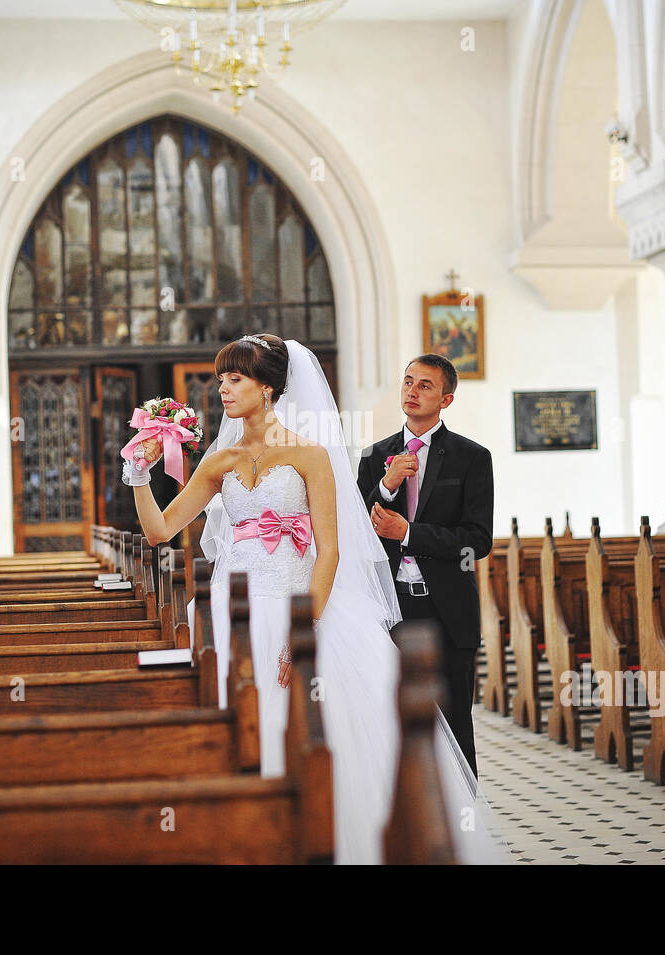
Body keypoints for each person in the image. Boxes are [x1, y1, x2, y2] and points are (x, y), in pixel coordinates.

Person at [121, 334, 510, 864]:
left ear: (268, 387)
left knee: (318, 733)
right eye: (221, 380)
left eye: (235, 379)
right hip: (233, 613)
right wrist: (139, 475)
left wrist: (300, 632)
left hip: (303, 612)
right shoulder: (220, 461)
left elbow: (329, 552)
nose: (224, 389)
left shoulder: (311, 455)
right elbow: (162, 531)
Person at [357, 353, 492, 777]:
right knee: (393, 720)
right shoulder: (374, 456)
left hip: (447, 611)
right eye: (408, 382)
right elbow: (354, 527)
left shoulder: (472, 457)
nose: (412, 392)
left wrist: (410, 534)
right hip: (389, 608)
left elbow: (477, 540)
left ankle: (464, 827)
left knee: (454, 724)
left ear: (446, 399)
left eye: (425, 386)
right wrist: (387, 484)